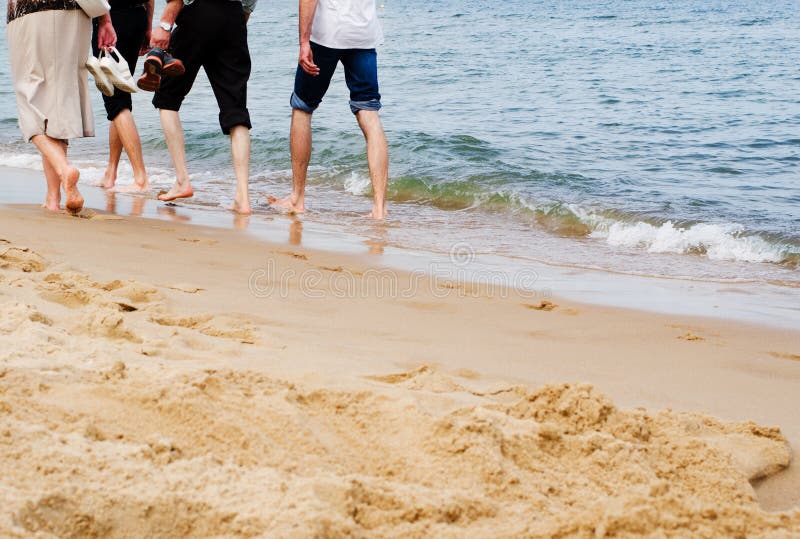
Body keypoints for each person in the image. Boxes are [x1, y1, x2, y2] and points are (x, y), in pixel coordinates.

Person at [269, 0, 389, 219]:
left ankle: (297, 198)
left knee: (302, 108)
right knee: (369, 113)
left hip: (325, 36)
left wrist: (304, 42)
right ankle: (379, 208)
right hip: (363, 35)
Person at [6, 1, 116, 213]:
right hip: (76, 11)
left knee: (29, 99)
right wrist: (105, 18)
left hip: (30, 9)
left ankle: (65, 169)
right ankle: (53, 198)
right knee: (60, 102)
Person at [149, 0, 257, 215]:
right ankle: (243, 197)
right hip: (234, 17)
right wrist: (236, 22)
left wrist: (165, 24)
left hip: (196, 14)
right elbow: (249, 5)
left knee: (167, 99)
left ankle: (182, 181)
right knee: (236, 110)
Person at [92, 0, 154, 192]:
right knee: (120, 95)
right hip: (138, 17)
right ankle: (111, 173)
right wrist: (148, 26)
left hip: (112, 20)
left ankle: (140, 178)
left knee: (116, 100)